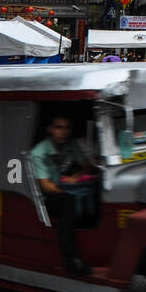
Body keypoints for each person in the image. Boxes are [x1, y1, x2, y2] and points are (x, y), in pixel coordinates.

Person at [30, 114, 96, 276]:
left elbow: (88, 167)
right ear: (50, 130)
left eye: (66, 128)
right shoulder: (39, 152)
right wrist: (70, 189)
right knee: (68, 201)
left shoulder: (71, 145)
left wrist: (75, 178)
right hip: (48, 199)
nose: (63, 132)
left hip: (68, 189)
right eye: (58, 127)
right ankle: (70, 259)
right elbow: (46, 186)